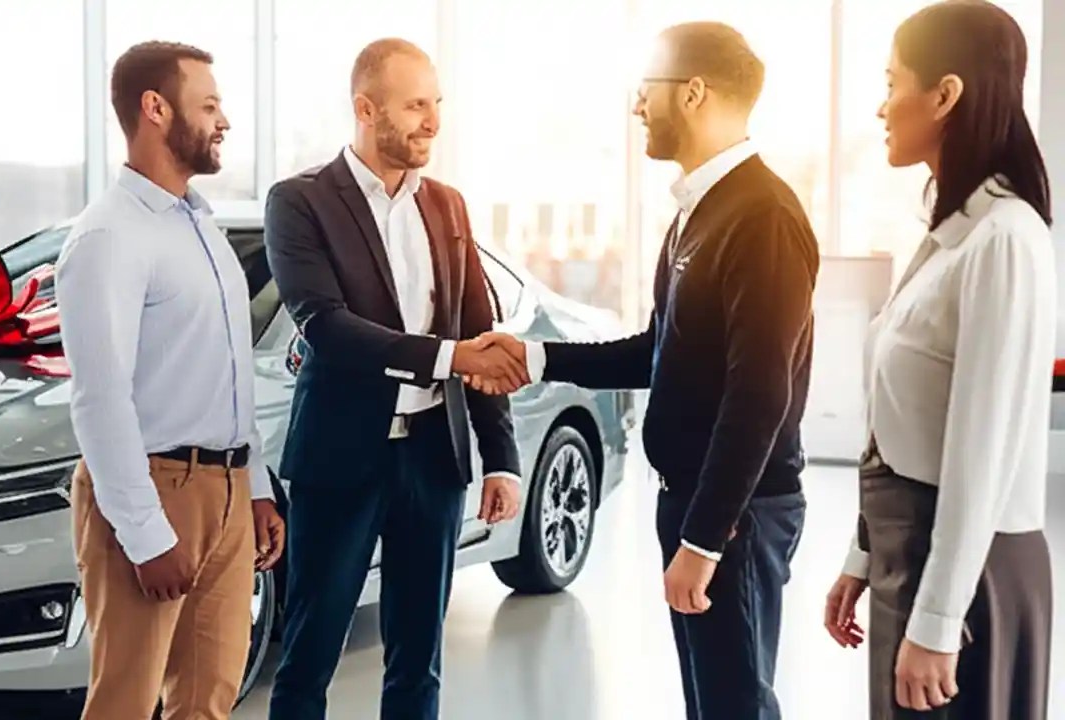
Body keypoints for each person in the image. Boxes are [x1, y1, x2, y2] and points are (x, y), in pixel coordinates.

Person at [472, 22, 819, 720]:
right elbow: (659, 352)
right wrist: (534, 357)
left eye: (646, 91)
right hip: (696, 503)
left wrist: (704, 536)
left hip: (735, 516)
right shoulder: (699, 213)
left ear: (693, 93)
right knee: (712, 701)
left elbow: (759, 394)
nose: (637, 107)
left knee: (735, 705)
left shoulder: (763, 217)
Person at [263, 38, 525, 720]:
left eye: (437, 104)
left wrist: (501, 459)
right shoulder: (299, 202)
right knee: (310, 655)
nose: (432, 121)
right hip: (341, 459)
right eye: (415, 105)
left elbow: (481, 327)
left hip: (433, 462)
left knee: (418, 661)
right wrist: (451, 358)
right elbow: (326, 324)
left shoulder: (448, 206)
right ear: (365, 108)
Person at [823, 2, 1055, 717]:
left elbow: (981, 452)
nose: (881, 105)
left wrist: (936, 621)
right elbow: (904, 424)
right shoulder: (952, 237)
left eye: (893, 81)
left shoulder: (1005, 240)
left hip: (964, 577)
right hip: (914, 560)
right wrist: (862, 556)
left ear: (946, 94)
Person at [56, 41, 285, 720]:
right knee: (125, 702)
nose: (224, 120)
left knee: (208, 703)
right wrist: (145, 533)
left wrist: (257, 487)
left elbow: (230, 375)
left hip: (226, 491)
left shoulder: (202, 228)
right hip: (152, 492)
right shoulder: (107, 237)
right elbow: (100, 399)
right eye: (209, 104)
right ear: (155, 108)